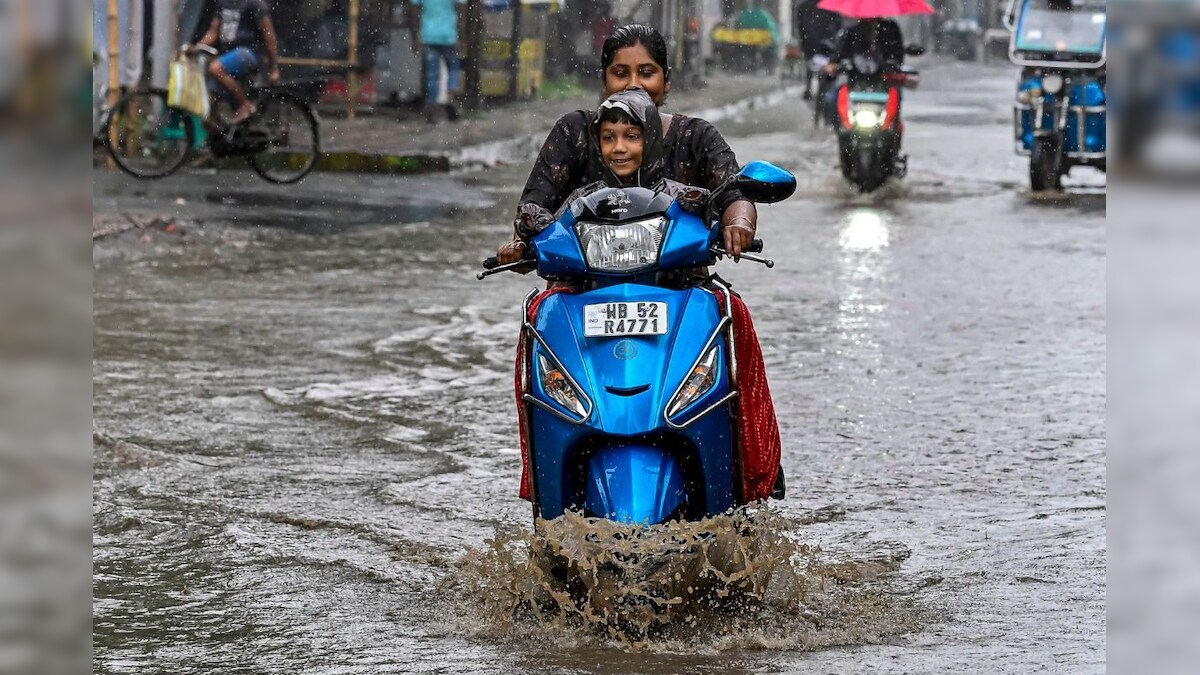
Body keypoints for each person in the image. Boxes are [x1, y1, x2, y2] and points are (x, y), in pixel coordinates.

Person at [495, 24, 784, 505]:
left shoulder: (695, 136)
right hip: (581, 293)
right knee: (536, 321)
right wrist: (525, 243)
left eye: (645, 72)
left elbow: (733, 192)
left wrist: (738, 223)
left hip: (679, 288)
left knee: (732, 317)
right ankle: (546, 491)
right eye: (620, 72)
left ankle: (749, 469)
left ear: (665, 81)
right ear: (603, 79)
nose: (633, 83)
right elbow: (536, 207)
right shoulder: (577, 133)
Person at [193, 0, 282, 125]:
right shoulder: (223, 3)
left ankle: (245, 105)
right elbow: (214, 31)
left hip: (248, 53)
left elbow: (269, 35)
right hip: (227, 55)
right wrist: (197, 47)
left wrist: (274, 67)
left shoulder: (255, 4)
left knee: (215, 68)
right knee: (209, 105)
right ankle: (223, 136)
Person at [407, 0, 466, 124]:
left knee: (432, 75)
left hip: (428, 36)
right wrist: (461, 36)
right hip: (449, 35)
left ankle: (432, 108)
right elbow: (461, 11)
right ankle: (450, 96)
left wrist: (415, 37)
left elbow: (414, 12)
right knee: (453, 68)